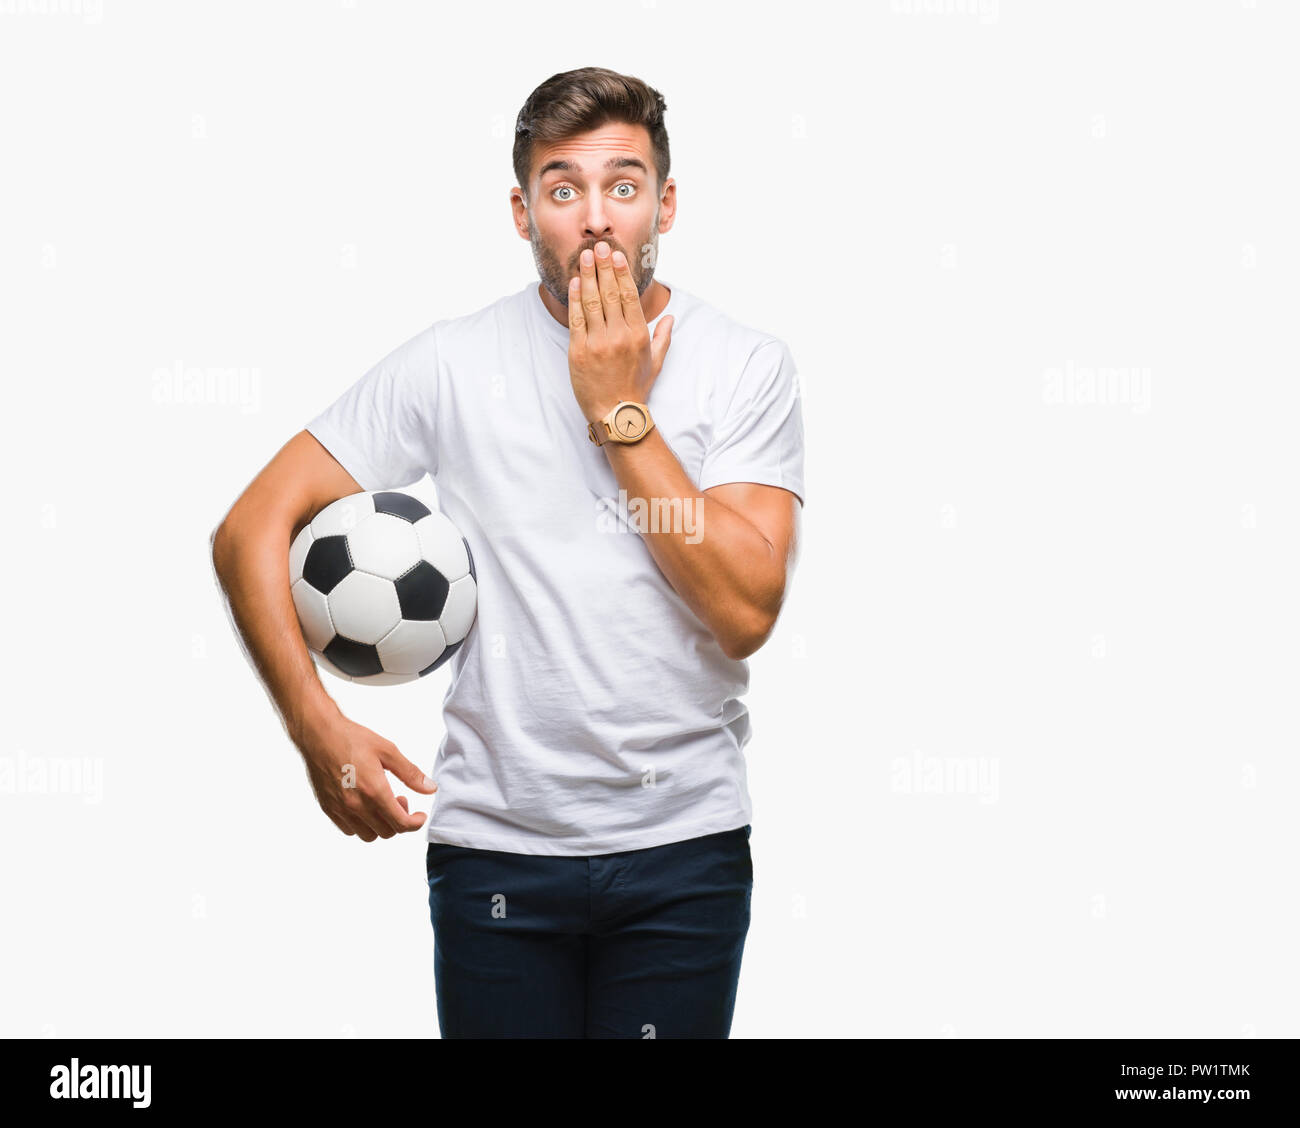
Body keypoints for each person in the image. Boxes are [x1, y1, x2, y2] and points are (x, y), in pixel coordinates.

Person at [211, 66, 805, 1038]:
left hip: (682, 854)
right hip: (496, 857)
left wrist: (616, 410)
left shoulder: (744, 364)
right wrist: (314, 727)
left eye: (623, 182)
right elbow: (250, 527)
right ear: (523, 211)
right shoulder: (451, 362)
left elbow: (745, 611)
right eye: (563, 187)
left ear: (666, 202)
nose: (597, 216)